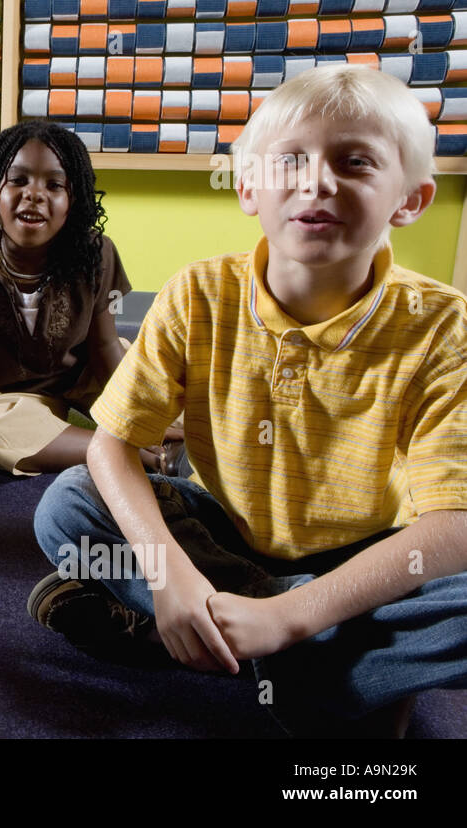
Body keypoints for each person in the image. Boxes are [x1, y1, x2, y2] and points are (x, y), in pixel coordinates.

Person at [30, 64, 467, 736]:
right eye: (290, 159)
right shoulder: (198, 294)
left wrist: (288, 616)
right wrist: (169, 576)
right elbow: (112, 447)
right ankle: (319, 667)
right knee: (68, 505)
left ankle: (228, 641)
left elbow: (453, 526)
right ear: (248, 187)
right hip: (223, 538)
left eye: (355, 162)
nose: (316, 182)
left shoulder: (442, 324)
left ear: (409, 199)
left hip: (370, 559)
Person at [0, 121, 176, 482]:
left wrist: (143, 417)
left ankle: (161, 443)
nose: (34, 195)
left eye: (54, 185)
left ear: (73, 200)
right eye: (18, 180)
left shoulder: (96, 252)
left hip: (81, 375)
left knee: (172, 398)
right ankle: (118, 451)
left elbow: (104, 346)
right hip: (5, 394)